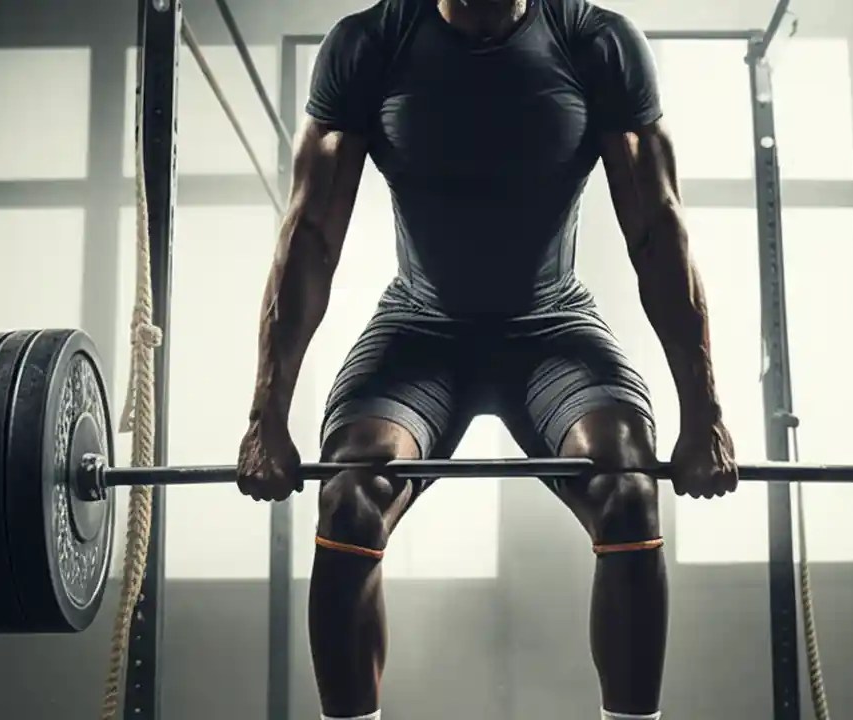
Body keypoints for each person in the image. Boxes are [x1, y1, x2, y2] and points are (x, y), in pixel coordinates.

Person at [236, 0, 739, 717]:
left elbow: (658, 232)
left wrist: (704, 414)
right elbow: (311, 236)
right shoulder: (371, 43)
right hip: (421, 331)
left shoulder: (594, 41)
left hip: (552, 329)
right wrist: (266, 417)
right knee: (349, 497)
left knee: (628, 487)